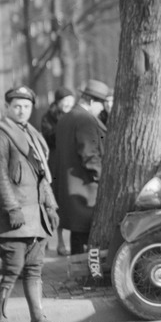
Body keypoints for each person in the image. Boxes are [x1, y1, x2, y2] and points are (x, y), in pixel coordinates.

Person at [0, 85, 63, 322]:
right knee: (11, 268)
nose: (22, 110)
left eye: (26, 106)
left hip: (35, 216)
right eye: (17, 106)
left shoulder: (32, 134)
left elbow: (42, 177)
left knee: (33, 268)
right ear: (7, 107)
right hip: (13, 217)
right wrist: (12, 208)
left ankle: (37, 318)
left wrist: (50, 205)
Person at [54, 79, 110, 256]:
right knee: (87, 240)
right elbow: (90, 156)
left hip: (71, 188)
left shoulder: (67, 117)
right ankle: (87, 277)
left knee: (77, 237)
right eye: (101, 105)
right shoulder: (85, 120)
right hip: (86, 190)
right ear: (93, 102)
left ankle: (78, 276)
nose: (102, 110)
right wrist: (104, 180)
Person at [40, 87, 75, 256]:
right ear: (57, 102)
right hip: (55, 163)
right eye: (64, 100)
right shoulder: (48, 118)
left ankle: (66, 241)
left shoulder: (75, 116)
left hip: (70, 164)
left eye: (70, 99)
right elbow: (50, 138)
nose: (68, 103)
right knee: (55, 202)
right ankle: (56, 240)